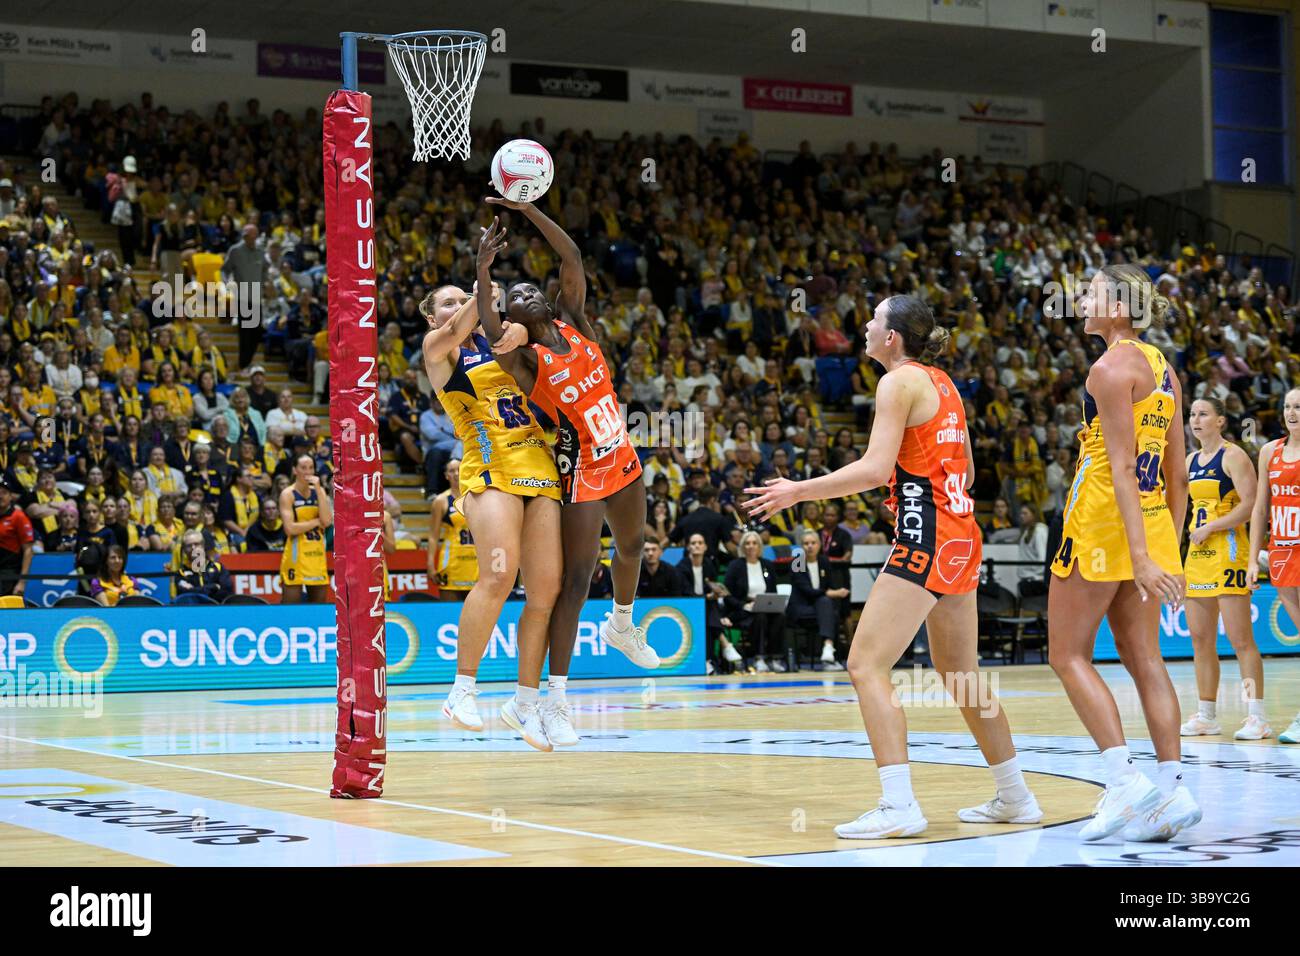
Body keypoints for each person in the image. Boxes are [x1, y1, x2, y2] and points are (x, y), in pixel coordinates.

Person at [746, 294, 1040, 838]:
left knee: (864, 665)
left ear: (893, 338)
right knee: (961, 674)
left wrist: (797, 492)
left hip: (926, 538)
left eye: (874, 319)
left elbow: (874, 467)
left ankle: (899, 805)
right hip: (961, 536)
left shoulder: (895, 383)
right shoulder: (943, 383)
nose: (864, 324)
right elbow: (968, 471)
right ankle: (1015, 795)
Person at [475, 204, 660, 742]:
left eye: (531, 290)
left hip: (623, 456)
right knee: (576, 583)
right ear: (512, 318)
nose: (526, 294)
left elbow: (571, 256)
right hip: (580, 470)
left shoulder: (575, 324)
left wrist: (526, 206)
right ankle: (556, 700)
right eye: (515, 298)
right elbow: (490, 333)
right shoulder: (526, 360)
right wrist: (485, 271)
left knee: (633, 548)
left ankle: (622, 625)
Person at [1047, 265, 1200, 841]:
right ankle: (1172, 786)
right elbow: (1176, 472)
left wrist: (1137, 556)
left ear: (1116, 306)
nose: (1081, 300)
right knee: (1144, 657)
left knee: (1066, 654)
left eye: (1090, 292)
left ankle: (1124, 782)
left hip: (1104, 523)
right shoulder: (1165, 369)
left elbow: (1117, 467)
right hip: (1155, 520)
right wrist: (1168, 546)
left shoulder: (1108, 368)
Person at [420, 275, 563, 751]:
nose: (458, 307)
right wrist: (483, 290)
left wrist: (523, 328)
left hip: (539, 464)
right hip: (490, 468)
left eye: (464, 300)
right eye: (448, 303)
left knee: (545, 591)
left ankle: (525, 702)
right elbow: (461, 327)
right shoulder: (440, 347)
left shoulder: (503, 338)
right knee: (498, 577)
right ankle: (462, 690)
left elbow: (557, 344)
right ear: (430, 315)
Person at [1180, 398, 1267, 740]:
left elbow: (1251, 506)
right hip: (1198, 557)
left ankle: (1256, 716)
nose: (1196, 420)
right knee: (1201, 641)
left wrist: (1213, 526)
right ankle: (1206, 715)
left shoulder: (1234, 456)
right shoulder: (1189, 461)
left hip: (1229, 552)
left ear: (1220, 421)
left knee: (1241, 640)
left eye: (1203, 414)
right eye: (1192, 415)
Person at [1247, 387, 1300, 744]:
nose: (1292, 412)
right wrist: (1252, 559)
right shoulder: (1270, 451)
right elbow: (1259, 509)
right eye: (1287, 407)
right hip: (1280, 551)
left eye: (1298, 407)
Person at [721, 531, 785, 673]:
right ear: (743, 547)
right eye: (747, 543)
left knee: (780, 616)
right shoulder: (735, 565)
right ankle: (759, 658)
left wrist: (770, 603)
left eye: (754, 543)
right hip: (742, 609)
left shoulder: (767, 565)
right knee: (760, 617)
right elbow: (726, 594)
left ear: (760, 546)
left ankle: (775, 658)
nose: (751, 546)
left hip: (765, 606)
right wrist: (744, 605)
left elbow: (773, 590)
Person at [788, 530, 850, 669]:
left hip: (820, 607)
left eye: (813, 543)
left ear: (819, 545)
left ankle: (828, 650)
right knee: (829, 610)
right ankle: (829, 653)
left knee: (828, 607)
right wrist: (832, 593)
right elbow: (806, 591)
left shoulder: (823, 561)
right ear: (801, 547)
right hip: (801, 608)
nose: (810, 546)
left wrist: (831, 592)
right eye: (806, 543)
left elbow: (830, 584)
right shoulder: (797, 562)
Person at [279, 454, 332, 604]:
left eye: (311, 468)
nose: (307, 472)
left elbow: (327, 521)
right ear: (295, 470)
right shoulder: (288, 494)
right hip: (296, 557)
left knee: (318, 609)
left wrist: (318, 488)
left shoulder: (319, 491)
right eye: (303, 468)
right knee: (291, 609)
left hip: (316, 556)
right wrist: (316, 522)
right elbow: (290, 529)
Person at [427, 459, 476, 601]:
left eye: (459, 469)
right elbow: (433, 536)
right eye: (451, 470)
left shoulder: (477, 496)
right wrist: (430, 564)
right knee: (449, 611)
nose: (456, 473)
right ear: (446, 475)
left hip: (476, 562)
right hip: (452, 562)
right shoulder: (441, 501)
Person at [0, 475, 34, 598]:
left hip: (9, 573)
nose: (0, 496)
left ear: (10, 496)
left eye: (4, 493)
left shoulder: (18, 517)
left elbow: (28, 550)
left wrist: (22, 582)